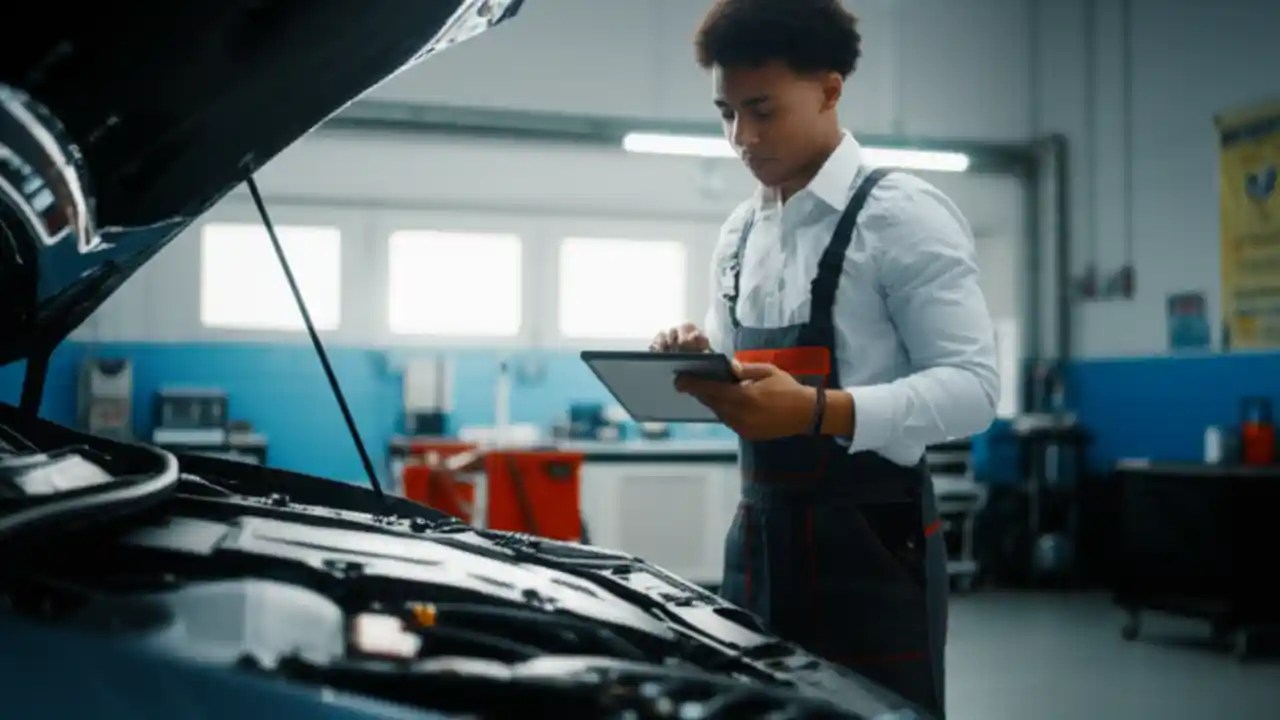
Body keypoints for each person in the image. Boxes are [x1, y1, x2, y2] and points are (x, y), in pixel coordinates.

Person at [650, 1, 999, 716]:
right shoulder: (741, 233)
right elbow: (749, 392)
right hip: (758, 538)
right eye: (725, 114)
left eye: (761, 109)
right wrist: (703, 369)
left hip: (874, 548)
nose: (741, 138)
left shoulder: (900, 216)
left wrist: (817, 410)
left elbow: (974, 389)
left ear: (830, 90)